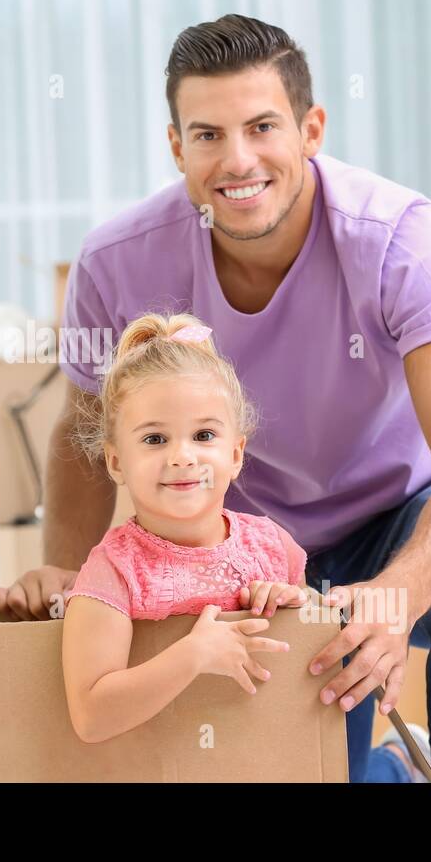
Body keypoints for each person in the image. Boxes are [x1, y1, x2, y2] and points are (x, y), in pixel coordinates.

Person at [0, 14, 431, 782]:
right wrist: (62, 573)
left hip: (392, 523)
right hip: (225, 544)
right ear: (176, 147)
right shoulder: (114, 262)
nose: (238, 159)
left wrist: (399, 594)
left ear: (311, 128)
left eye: (261, 126)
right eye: (209, 135)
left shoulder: (401, 239)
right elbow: (82, 436)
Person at [60, 313, 307, 744]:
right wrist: (192, 655)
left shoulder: (273, 548)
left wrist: (294, 604)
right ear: (116, 461)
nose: (182, 457)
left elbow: (308, 651)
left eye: (204, 435)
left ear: (236, 453)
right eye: (155, 439)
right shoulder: (115, 570)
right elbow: (90, 715)